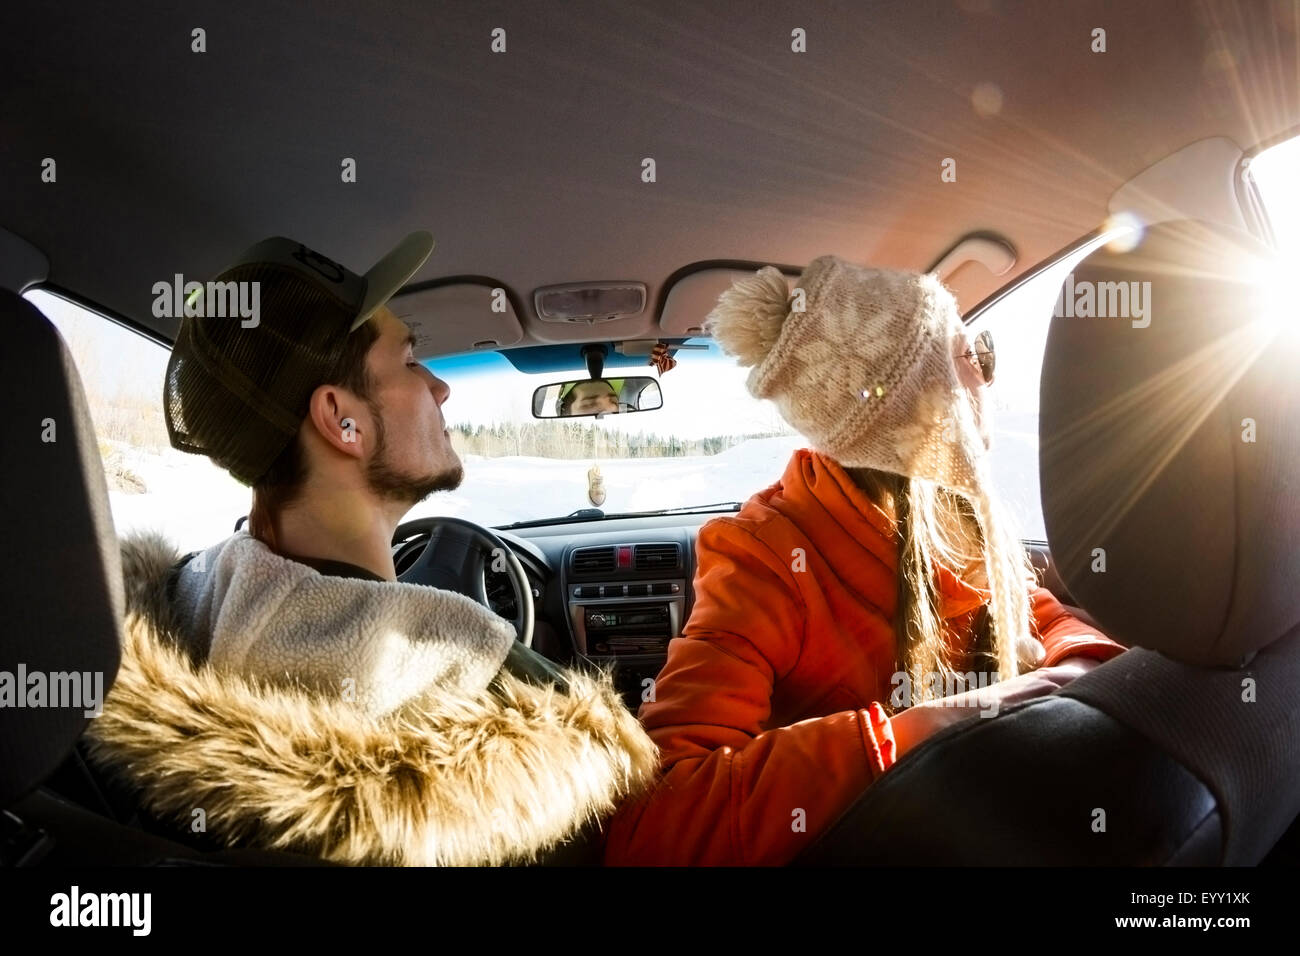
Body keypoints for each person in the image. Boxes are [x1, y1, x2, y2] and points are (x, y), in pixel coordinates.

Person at [90, 232, 658, 866]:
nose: (439, 387)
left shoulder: (172, 608)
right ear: (341, 420)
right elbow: (656, 807)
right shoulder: (466, 659)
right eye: (412, 360)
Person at [603, 257, 1127, 866]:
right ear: (921, 400)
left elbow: (1034, 613)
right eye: (970, 354)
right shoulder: (765, 556)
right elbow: (661, 824)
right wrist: (920, 736)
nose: (986, 376)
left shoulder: (960, 519)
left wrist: (1081, 664)